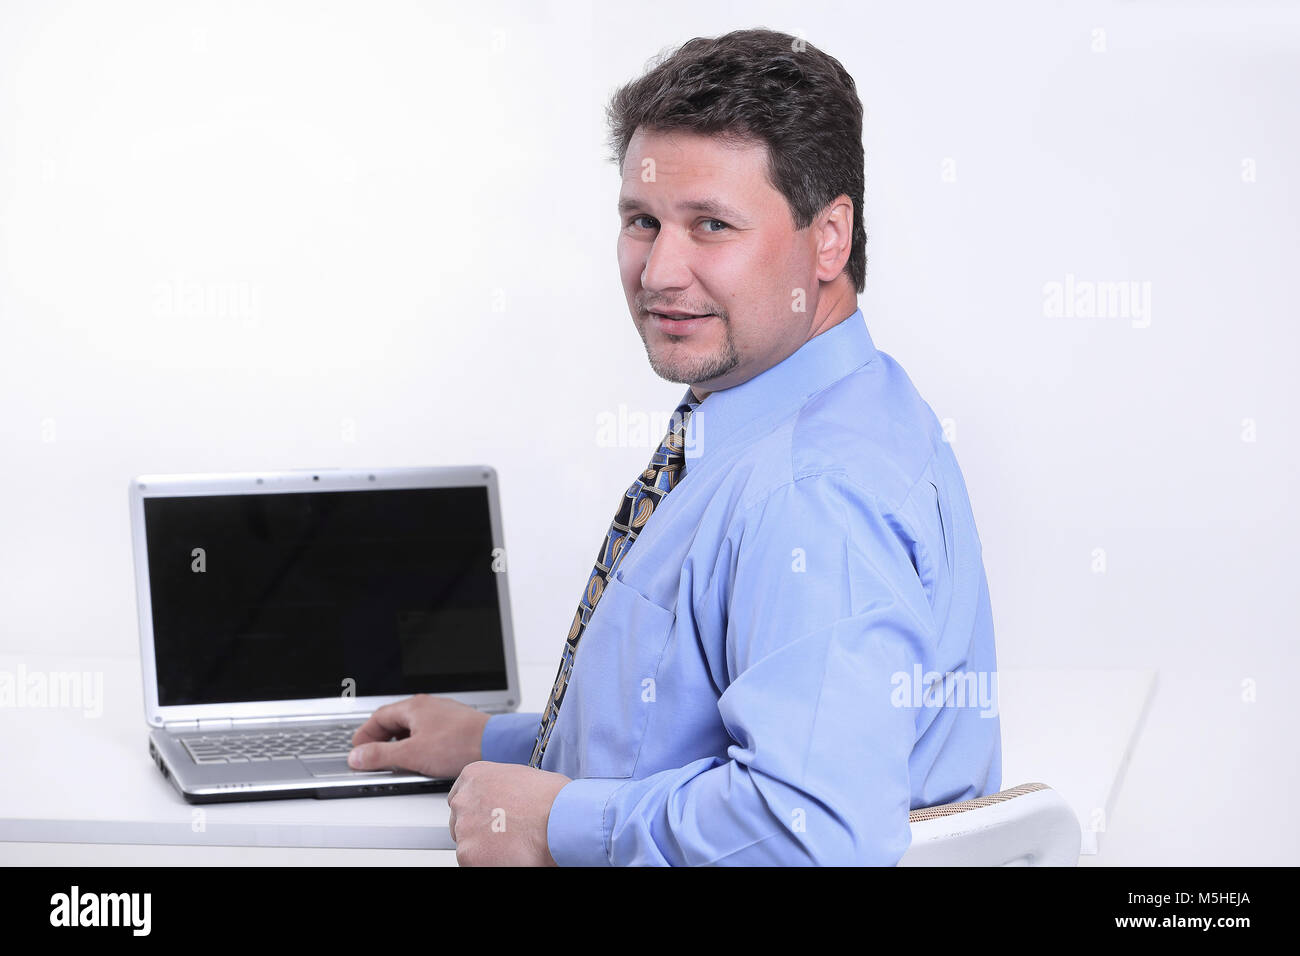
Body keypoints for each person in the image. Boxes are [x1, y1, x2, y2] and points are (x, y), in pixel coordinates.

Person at [347, 27, 1001, 866]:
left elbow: (815, 833)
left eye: (711, 226)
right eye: (642, 221)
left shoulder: (812, 491)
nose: (658, 271)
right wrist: (505, 742)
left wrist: (555, 823)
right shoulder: (821, 409)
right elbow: (691, 722)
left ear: (828, 238)